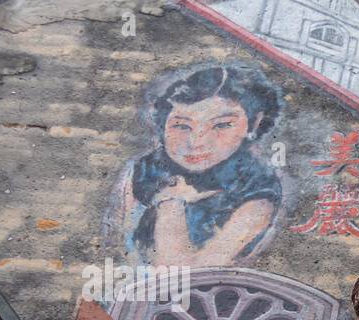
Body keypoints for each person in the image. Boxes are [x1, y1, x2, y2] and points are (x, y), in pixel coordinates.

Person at [110, 64, 283, 267]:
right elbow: (115, 249)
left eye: (221, 125)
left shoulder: (256, 188)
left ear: (254, 124)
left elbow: (181, 279)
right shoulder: (146, 169)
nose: (196, 142)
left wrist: (172, 204)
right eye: (182, 126)